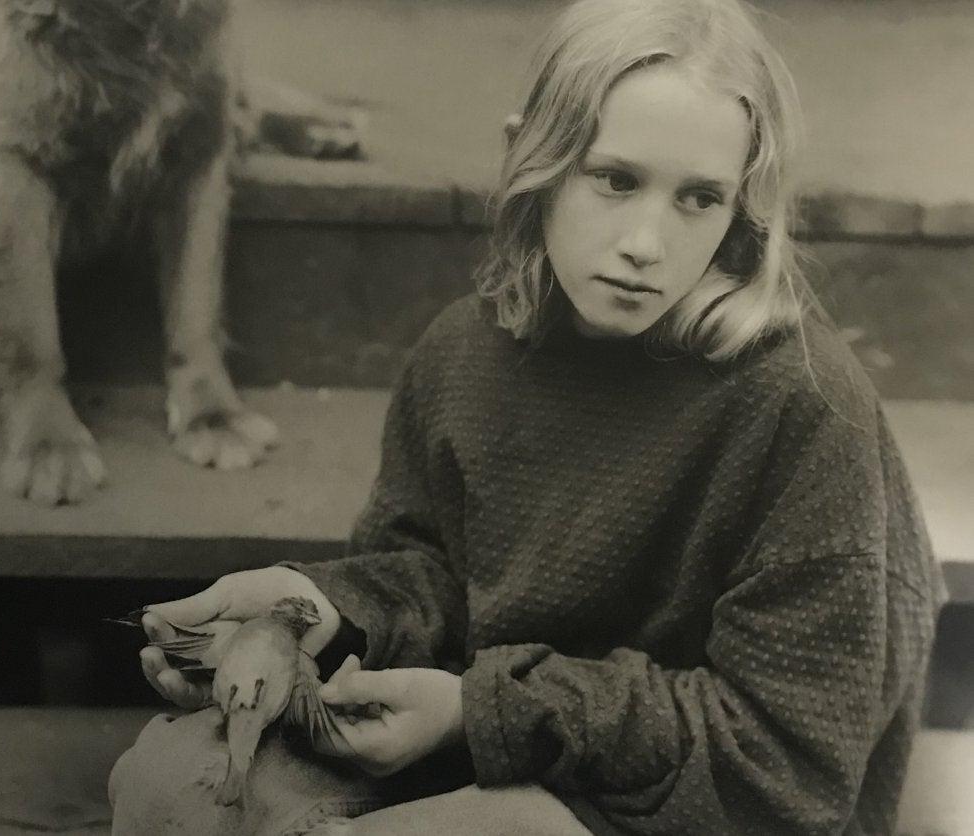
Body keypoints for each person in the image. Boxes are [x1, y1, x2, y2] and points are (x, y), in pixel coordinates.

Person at [111, 0, 946, 833]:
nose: (646, 243)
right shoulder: (465, 353)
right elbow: (431, 572)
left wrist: (482, 713)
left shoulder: (802, 406)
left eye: (699, 199)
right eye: (615, 179)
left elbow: (784, 761)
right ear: (531, 156)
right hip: (505, 734)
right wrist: (318, 611)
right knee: (165, 786)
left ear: (744, 206)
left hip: (691, 796)